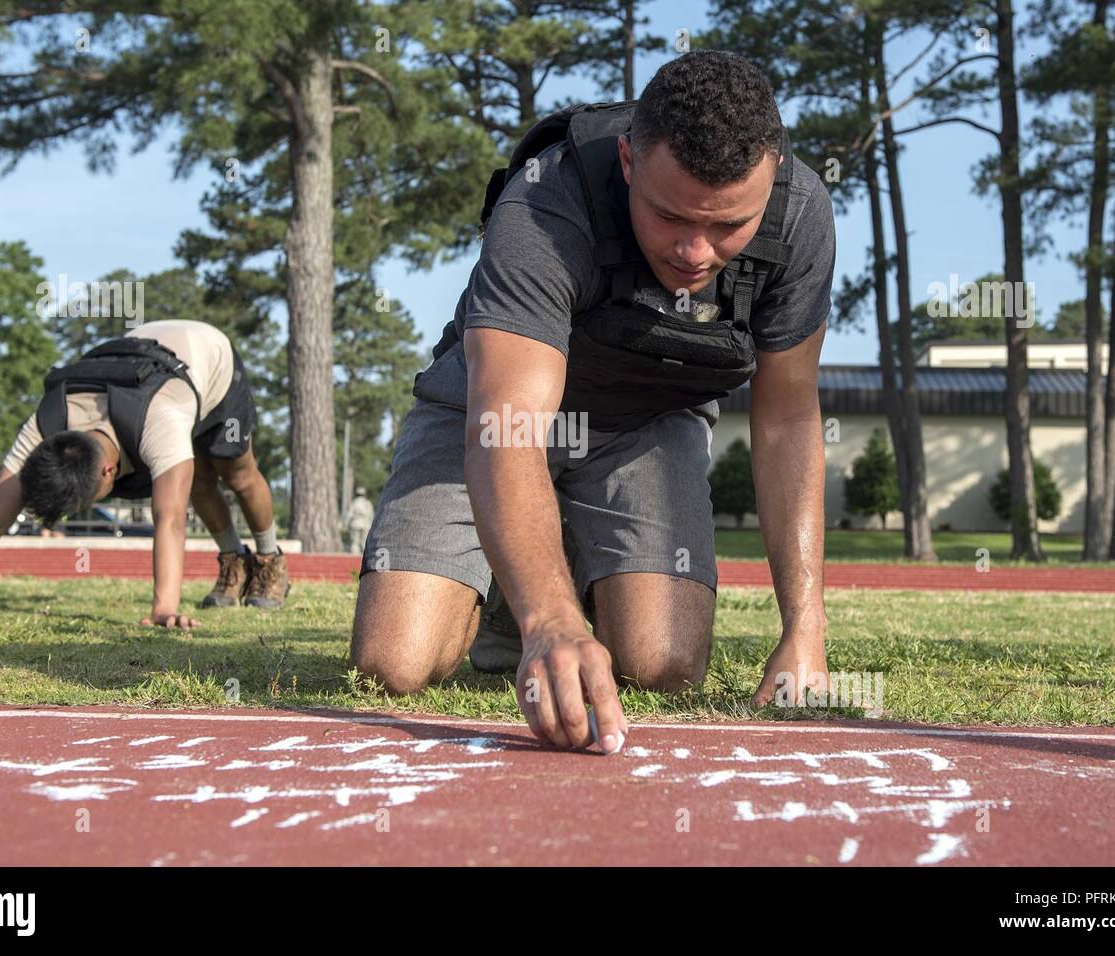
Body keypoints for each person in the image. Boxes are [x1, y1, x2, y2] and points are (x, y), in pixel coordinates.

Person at [352, 51, 836, 752]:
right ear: (629, 164)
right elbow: (507, 425)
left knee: (661, 665)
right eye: (671, 217)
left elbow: (789, 418)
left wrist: (805, 630)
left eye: (729, 225)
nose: (697, 253)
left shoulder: (801, 216)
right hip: (488, 416)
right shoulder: (545, 204)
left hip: (644, 422)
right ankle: (517, 606)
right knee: (392, 665)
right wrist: (549, 622)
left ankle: (573, 572)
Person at [0, 320, 288, 629]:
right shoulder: (44, 426)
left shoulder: (159, 425)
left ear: (109, 471)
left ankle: (269, 561)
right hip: (142, 354)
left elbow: (170, 523)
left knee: (232, 473)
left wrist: (164, 608)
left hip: (208, 358)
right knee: (198, 480)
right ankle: (234, 560)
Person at [344, 487, 375, 554]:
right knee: (364, 541)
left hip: (356, 523)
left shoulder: (354, 502)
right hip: (365, 524)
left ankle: (354, 555)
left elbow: (350, 514)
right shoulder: (367, 503)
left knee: (355, 541)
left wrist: (346, 523)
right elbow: (371, 515)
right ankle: (364, 555)